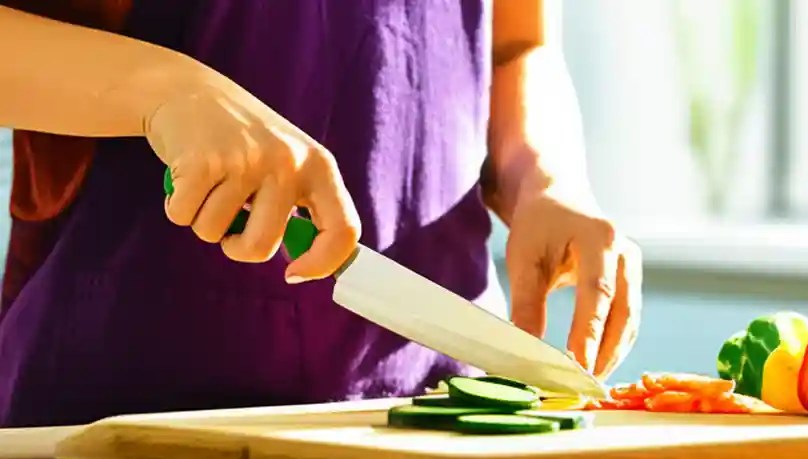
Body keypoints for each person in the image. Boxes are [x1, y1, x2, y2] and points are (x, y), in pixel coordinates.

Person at [0, 0, 641, 428]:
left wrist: (543, 179)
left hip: (436, 417)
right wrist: (164, 90)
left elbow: (515, 45)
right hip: (110, 428)